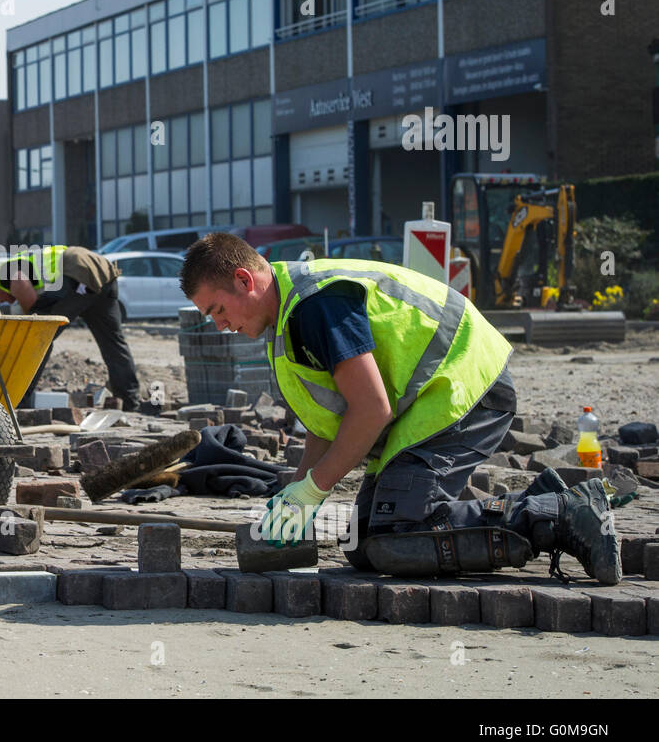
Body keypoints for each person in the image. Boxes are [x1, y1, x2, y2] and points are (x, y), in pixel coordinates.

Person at [179, 232, 621, 584]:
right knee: (363, 541)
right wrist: (299, 494)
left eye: (217, 310)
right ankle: (545, 497)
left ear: (243, 280)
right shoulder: (285, 318)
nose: (219, 325)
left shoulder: (317, 306)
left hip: (465, 389)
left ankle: (562, 513)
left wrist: (314, 489)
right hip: (427, 405)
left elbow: (371, 409)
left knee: (397, 539)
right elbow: (330, 420)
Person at [0, 244, 141, 411]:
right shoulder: (25, 262)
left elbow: (30, 307)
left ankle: (19, 399)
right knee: (113, 344)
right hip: (102, 271)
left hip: (78, 271)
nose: (1, 301)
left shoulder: (5, 273)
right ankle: (129, 401)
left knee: (38, 337)